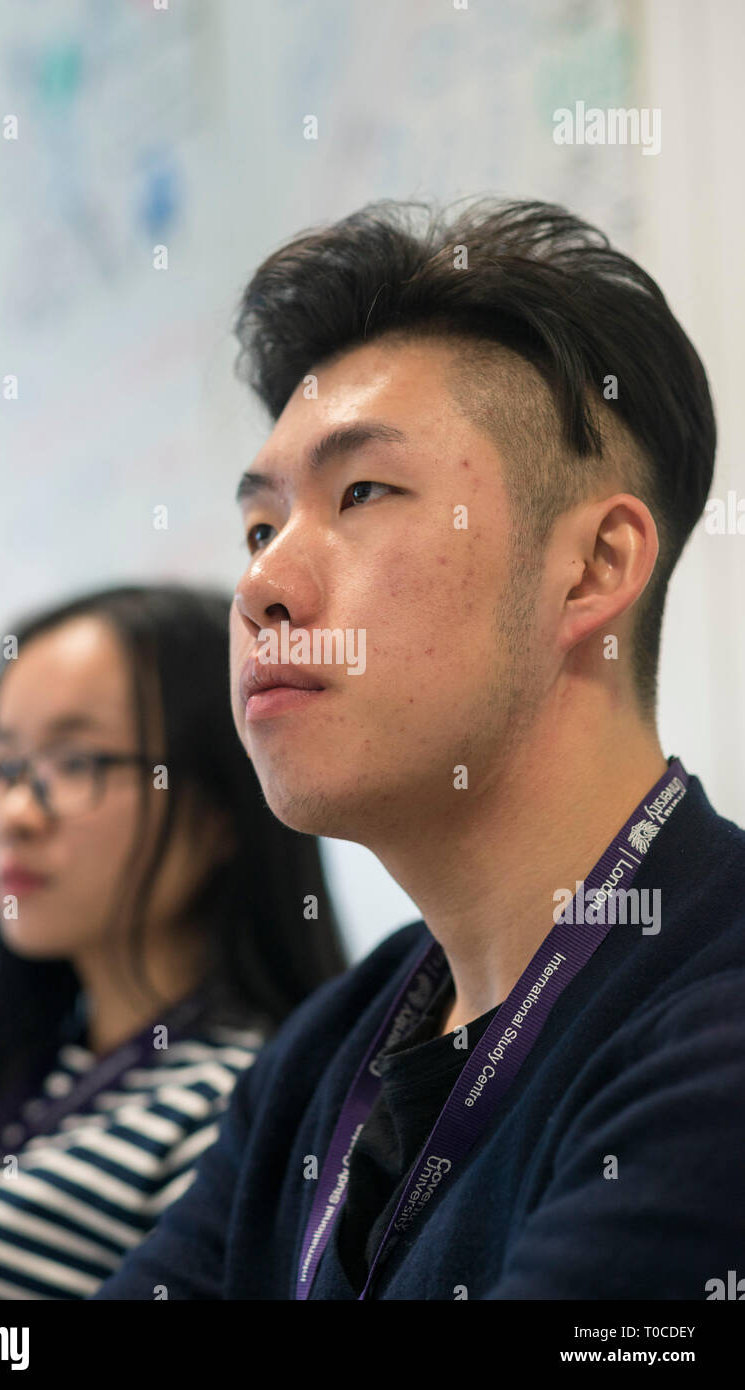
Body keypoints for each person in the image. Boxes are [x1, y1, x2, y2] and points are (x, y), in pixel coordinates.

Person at [92, 198, 745, 1301]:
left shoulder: (711, 1035)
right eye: (261, 527)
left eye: (362, 492)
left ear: (591, 570)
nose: (259, 586)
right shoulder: (324, 1052)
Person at [0, 583, 346, 1298]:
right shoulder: (42, 1061)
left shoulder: (233, 1104)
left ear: (219, 809)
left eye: (76, 763)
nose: (13, 814)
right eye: (1, 767)